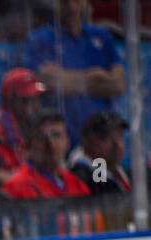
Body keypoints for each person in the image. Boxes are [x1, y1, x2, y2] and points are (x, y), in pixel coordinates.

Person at [23, 0, 125, 147]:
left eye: (76, 1)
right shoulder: (41, 39)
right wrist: (97, 77)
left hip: (101, 145)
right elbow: (48, 81)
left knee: (99, 170)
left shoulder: (102, 37)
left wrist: (68, 80)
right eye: (65, 2)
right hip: (61, 142)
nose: (71, 7)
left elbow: (118, 85)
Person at [2, 109, 92, 200]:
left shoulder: (78, 185)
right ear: (29, 145)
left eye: (56, 135)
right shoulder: (17, 187)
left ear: (67, 142)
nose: (50, 143)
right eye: (41, 138)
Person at [0, 68, 45, 176]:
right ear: (9, 100)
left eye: (35, 99)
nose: (32, 106)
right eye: (25, 100)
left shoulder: (34, 128)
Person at [69, 109, 131, 196]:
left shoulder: (125, 173)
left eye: (119, 136)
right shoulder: (82, 178)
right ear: (87, 141)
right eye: (106, 137)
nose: (117, 145)